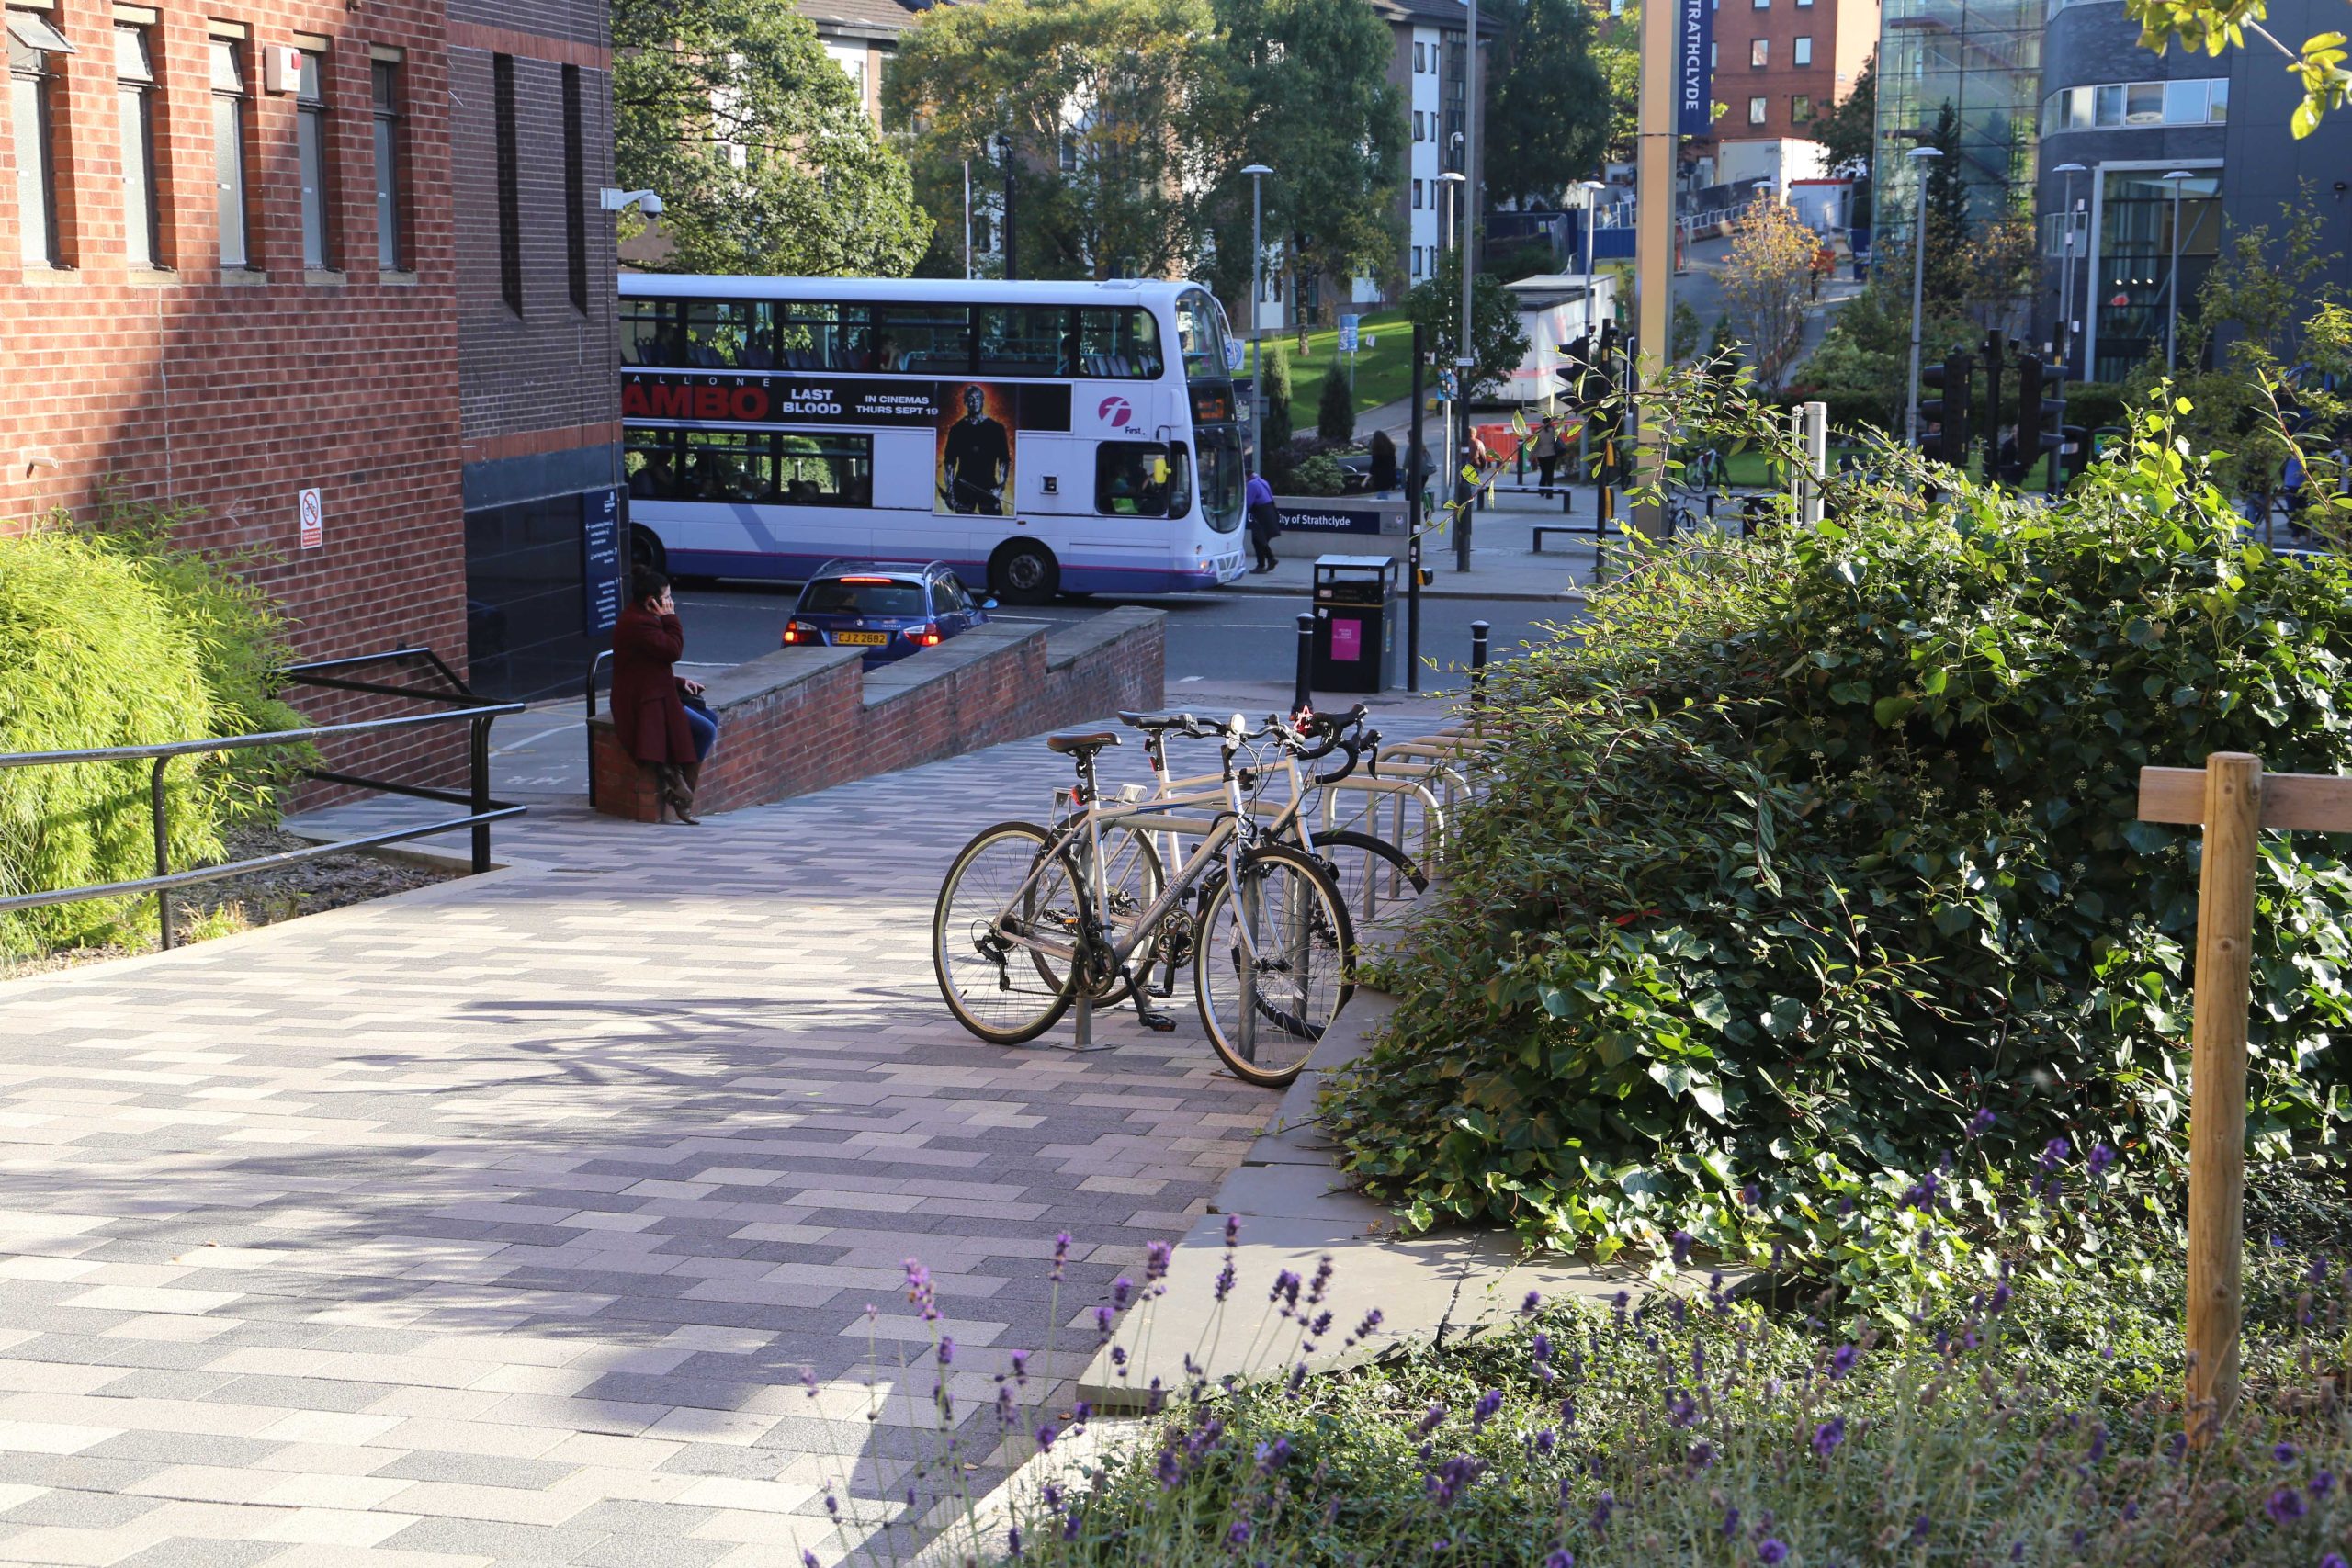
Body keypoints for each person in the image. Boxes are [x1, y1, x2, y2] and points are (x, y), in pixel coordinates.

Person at [610, 572, 715, 824]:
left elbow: (649, 663)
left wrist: (680, 682)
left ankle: (680, 791)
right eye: (666, 598)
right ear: (652, 601)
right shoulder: (639, 622)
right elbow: (672, 651)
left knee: (708, 720)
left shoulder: (642, 617)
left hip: (656, 691)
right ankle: (682, 795)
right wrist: (671, 619)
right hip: (642, 701)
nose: (671, 602)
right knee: (705, 729)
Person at [941, 385, 1012, 514]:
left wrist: (1000, 488)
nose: (975, 402)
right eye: (971, 399)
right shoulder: (957, 429)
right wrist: (950, 491)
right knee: (963, 525)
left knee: (995, 524)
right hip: (963, 485)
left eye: (978, 398)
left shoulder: (996, 428)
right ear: (965, 402)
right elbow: (949, 462)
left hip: (988, 486)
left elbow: (1004, 460)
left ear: (983, 400)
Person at [1245, 469, 1280, 572]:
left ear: (1247, 476)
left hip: (1261, 515)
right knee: (1261, 540)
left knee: (1258, 540)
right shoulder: (1263, 481)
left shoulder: (1251, 484)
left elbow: (1249, 503)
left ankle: (1262, 565)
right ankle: (1270, 559)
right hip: (1270, 513)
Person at [1529, 416, 1563, 497]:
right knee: (1550, 473)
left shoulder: (1538, 432)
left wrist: (1531, 456)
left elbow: (1535, 445)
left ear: (1542, 422)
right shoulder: (1553, 431)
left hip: (1541, 454)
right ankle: (1549, 493)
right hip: (1552, 454)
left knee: (1544, 472)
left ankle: (1541, 489)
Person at [1368, 429, 1398, 493]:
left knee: (1382, 495)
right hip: (1390, 474)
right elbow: (1394, 462)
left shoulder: (1377, 451)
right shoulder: (1391, 449)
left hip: (1380, 477)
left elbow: (1374, 465)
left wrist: (1367, 478)